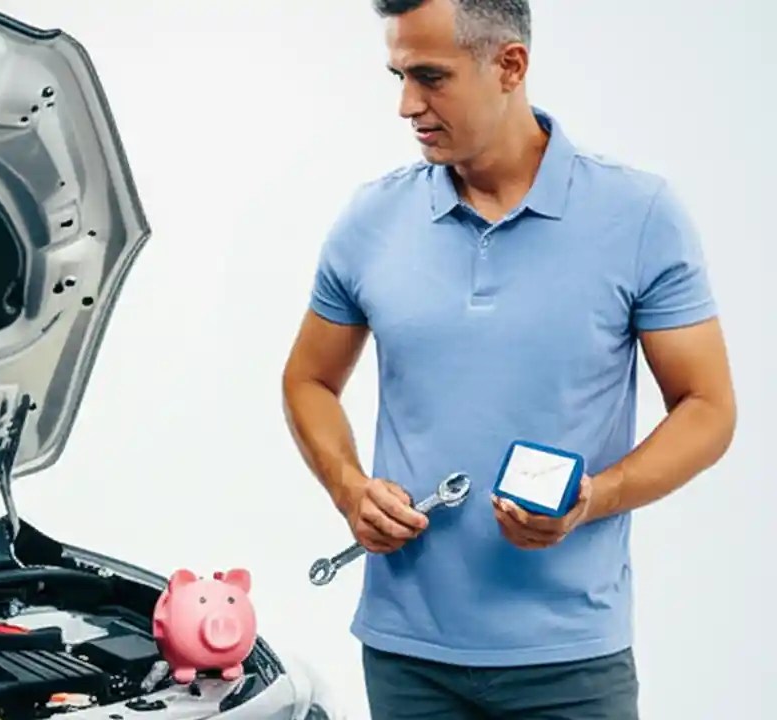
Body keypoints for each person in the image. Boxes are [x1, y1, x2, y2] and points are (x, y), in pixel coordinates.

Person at [280, 0, 736, 718]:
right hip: (407, 658)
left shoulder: (640, 214)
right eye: (397, 76)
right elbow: (307, 379)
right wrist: (347, 487)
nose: (406, 105)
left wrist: (595, 498)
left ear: (510, 65)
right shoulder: (371, 219)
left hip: (571, 661)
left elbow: (707, 408)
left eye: (430, 77)